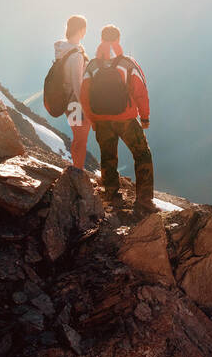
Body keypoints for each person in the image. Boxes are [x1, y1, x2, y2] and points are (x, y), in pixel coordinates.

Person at [81, 24, 155, 212]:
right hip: (126, 119)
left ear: (101, 39)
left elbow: (84, 96)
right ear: (118, 40)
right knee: (142, 154)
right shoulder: (128, 63)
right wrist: (144, 118)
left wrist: (93, 120)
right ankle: (144, 201)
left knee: (108, 157)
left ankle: (112, 196)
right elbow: (141, 92)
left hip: (101, 120)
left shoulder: (92, 66)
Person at [53, 15, 90, 170]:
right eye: (84, 29)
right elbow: (77, 84)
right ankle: (78, 172)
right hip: (76, 103)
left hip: (68, 101)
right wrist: (87, 107)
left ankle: (76, 169)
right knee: (81, 139)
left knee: (77, 138)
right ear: (81, 30)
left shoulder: (63, 49)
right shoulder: (76, 55)